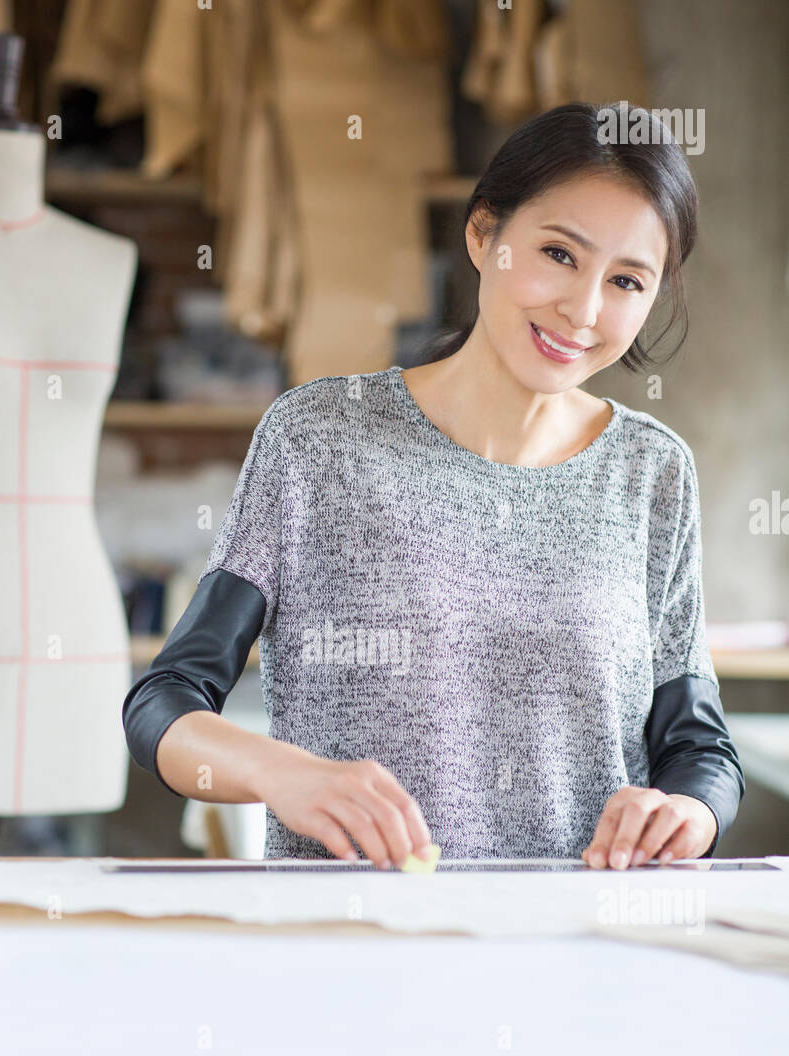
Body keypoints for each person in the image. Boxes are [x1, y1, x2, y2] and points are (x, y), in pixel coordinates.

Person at [122, 101, 744, 871]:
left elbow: (698, 747)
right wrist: (279, 773)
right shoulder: (319, 439)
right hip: (356, 949)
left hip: (582, 951)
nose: (583, 310)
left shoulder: (653, 473)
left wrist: (684, 812)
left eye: (626, 280)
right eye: (558, 254)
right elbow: (163, 703)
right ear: (484, 235)